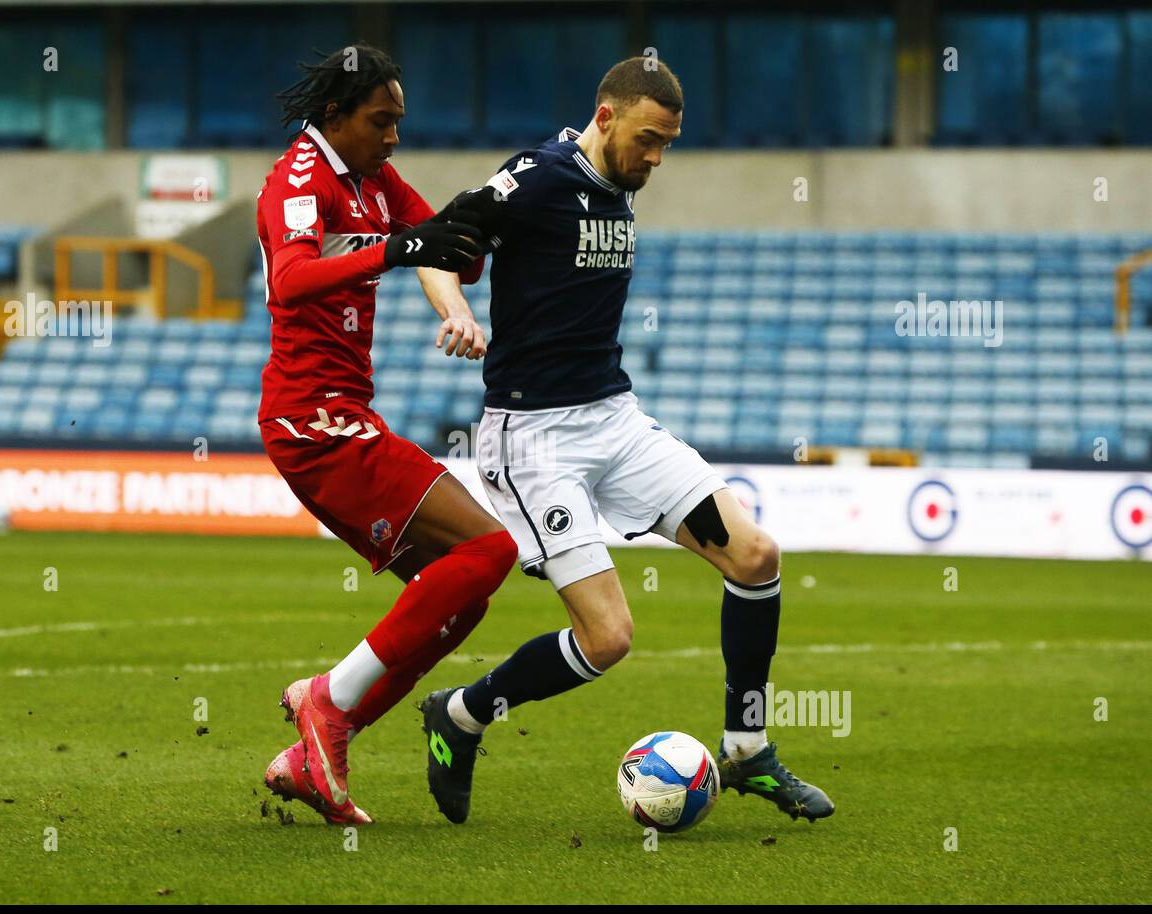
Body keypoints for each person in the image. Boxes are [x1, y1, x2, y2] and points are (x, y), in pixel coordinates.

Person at [420, 57, 834, 825]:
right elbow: (442, 241)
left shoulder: (619, 186)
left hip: (615, 418)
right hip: (534, 438)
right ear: (605, 116)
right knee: (608, 638)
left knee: (756, 555)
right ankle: (463, 713)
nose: (656, 158)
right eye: (647, 140)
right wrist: (456, 310)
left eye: (667, 145)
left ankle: (747, 751)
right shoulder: (537, 176)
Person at [256, 45, 518, 824]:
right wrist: (402, 247)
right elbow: (291, 277)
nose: (395, 135)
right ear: (336, 116)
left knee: (458, 599)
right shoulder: (299, 178)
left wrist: (475, 241)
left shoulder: (370, 180)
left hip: (345, 414)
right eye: (383, 121)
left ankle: (318, 746)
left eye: (400, 121)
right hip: (314, 420)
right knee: (491, 550)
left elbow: (442, 245)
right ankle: (327, 705)